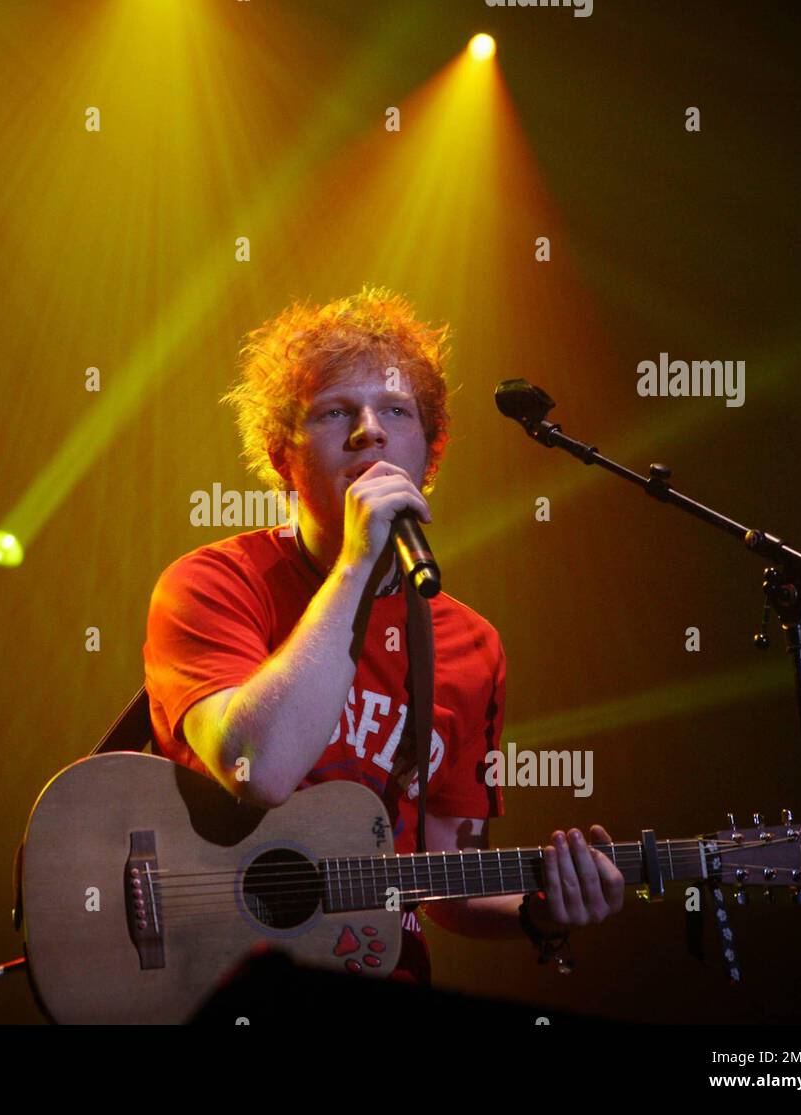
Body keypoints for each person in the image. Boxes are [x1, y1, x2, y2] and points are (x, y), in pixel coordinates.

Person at [143, 284, 623, 986]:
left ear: (429, 450)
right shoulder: (213, 584)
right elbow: (260, 769)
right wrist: (358, 562)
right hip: (214, 978)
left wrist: (543, 910)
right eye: (336, 411)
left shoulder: (471, 646)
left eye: (396, 410)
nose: (369, 429)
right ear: (282, 456)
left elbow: (449, 880)